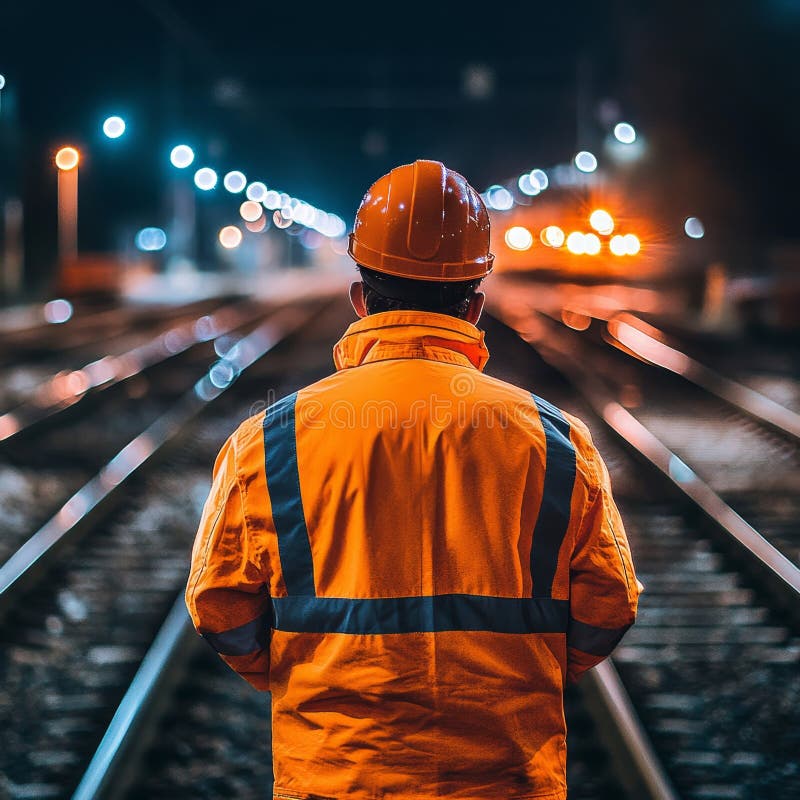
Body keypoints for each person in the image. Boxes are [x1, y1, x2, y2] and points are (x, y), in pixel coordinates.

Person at [186, 159, 640, 800]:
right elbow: (609, 604)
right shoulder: (554, 439)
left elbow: (218, 607)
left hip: (338, 776)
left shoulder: (270, 440)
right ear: (476, 305)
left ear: (360, 298)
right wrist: (527, 672)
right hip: (503, 777)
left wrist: (299, 675)